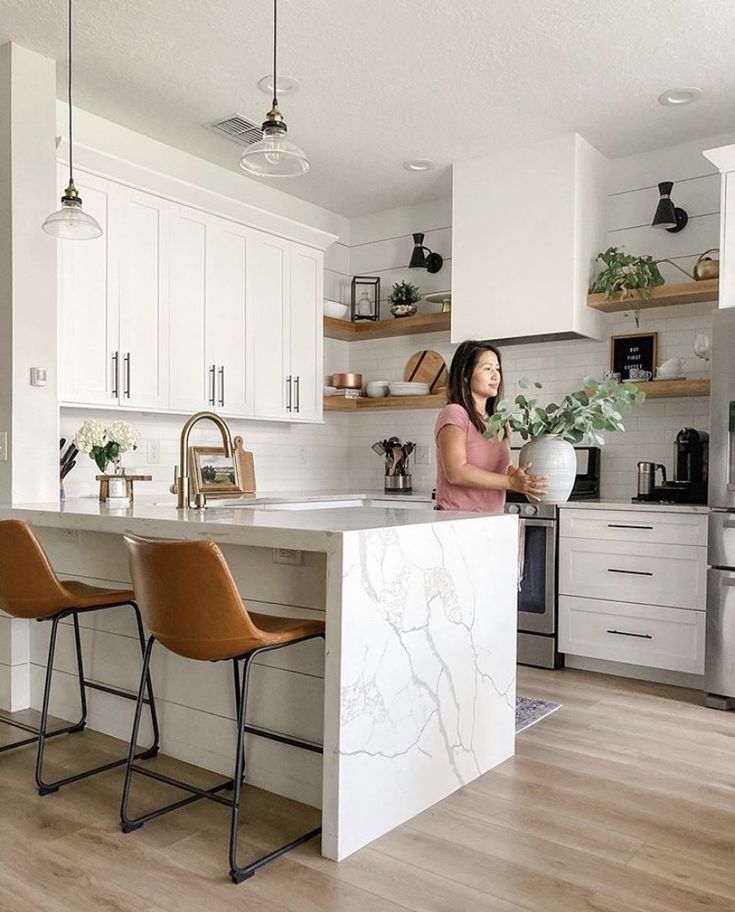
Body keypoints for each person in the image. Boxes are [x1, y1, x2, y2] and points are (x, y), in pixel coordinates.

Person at [434, 340, 548, 512]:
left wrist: (521, 478)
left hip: (492, 520)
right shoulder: (455, 413)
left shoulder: (498, 421)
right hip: (457, 522)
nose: (496, 376)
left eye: (497, 368)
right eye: (487, 369)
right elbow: (456, 472)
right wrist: (510, 482)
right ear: (465, 374)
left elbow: (504, 468)